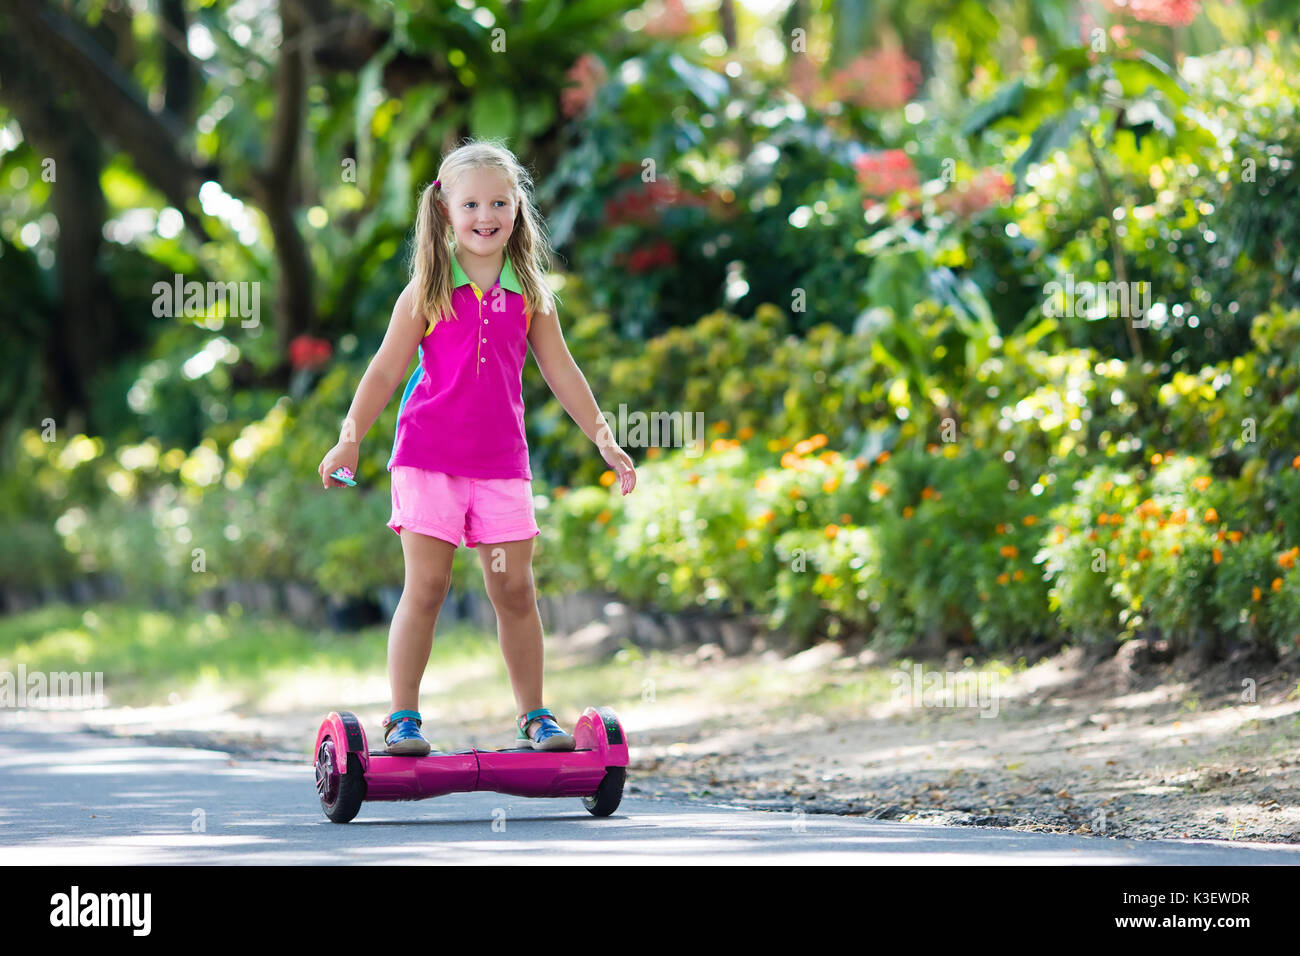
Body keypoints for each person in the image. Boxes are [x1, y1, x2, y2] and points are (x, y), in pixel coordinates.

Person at [317, 139, 636, 756]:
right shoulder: (426, 292)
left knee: (515, 591)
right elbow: (383, 372)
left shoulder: (531, 295)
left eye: (499, 203)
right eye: (471, 205)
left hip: (500, 467)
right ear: (445, 213)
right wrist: (347, 442)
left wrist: (605, 437)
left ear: (517, 208)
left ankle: (535, 716)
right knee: (427, 589)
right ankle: (403, 718)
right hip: (427, 460)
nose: (485, 216)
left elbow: (562, 371)